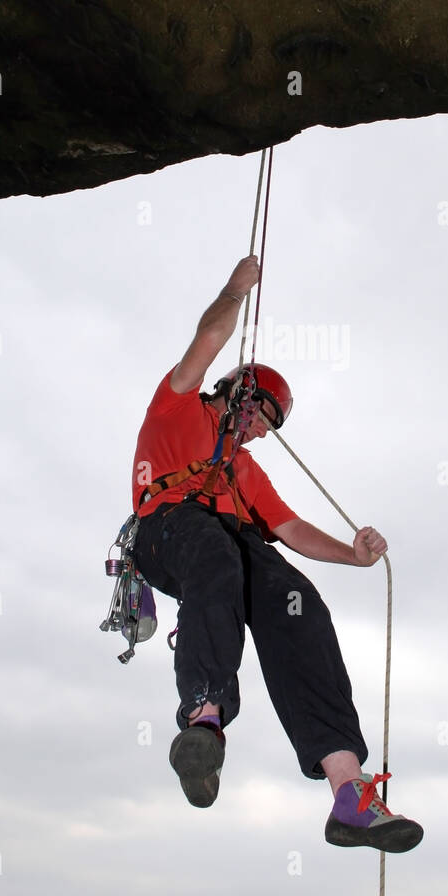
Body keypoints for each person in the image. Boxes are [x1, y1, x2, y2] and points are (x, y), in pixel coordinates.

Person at [130, 255, 423, 853]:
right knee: (218, 552)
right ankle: (205, 718)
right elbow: (209, 336)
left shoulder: (245, 470)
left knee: (298, 601)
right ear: (237, 392)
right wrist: (234, 291)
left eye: (271, 424)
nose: (262, 430)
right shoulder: (177, 405)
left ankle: (349, 791)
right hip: (165, 533)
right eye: (261, 413)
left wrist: (353, 554)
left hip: (226, 550)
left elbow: (289, 529)